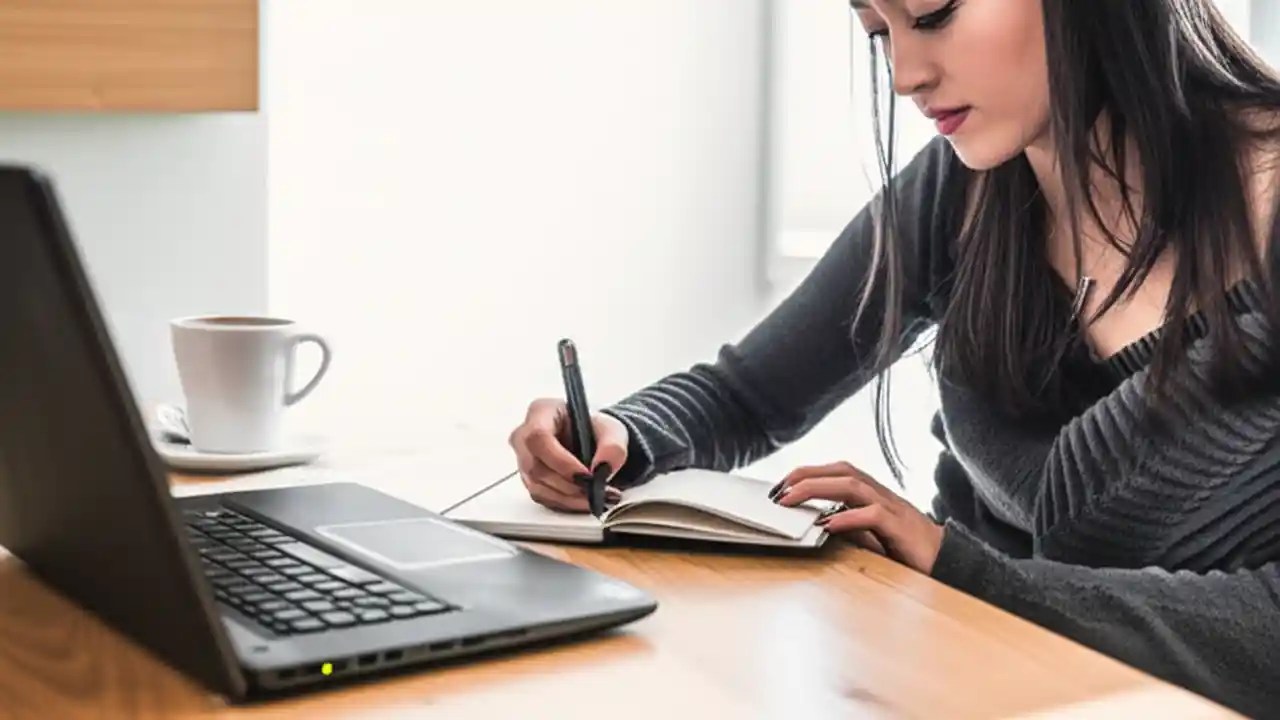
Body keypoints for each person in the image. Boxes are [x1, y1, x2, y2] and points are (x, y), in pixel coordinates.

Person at [507, 0, 1280, 715]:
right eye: (879, 30)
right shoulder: (963, 187)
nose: (907, 75)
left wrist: (969, 573)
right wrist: (615, 435)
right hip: (966, 676)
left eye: (933, 14)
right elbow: (749, 396)